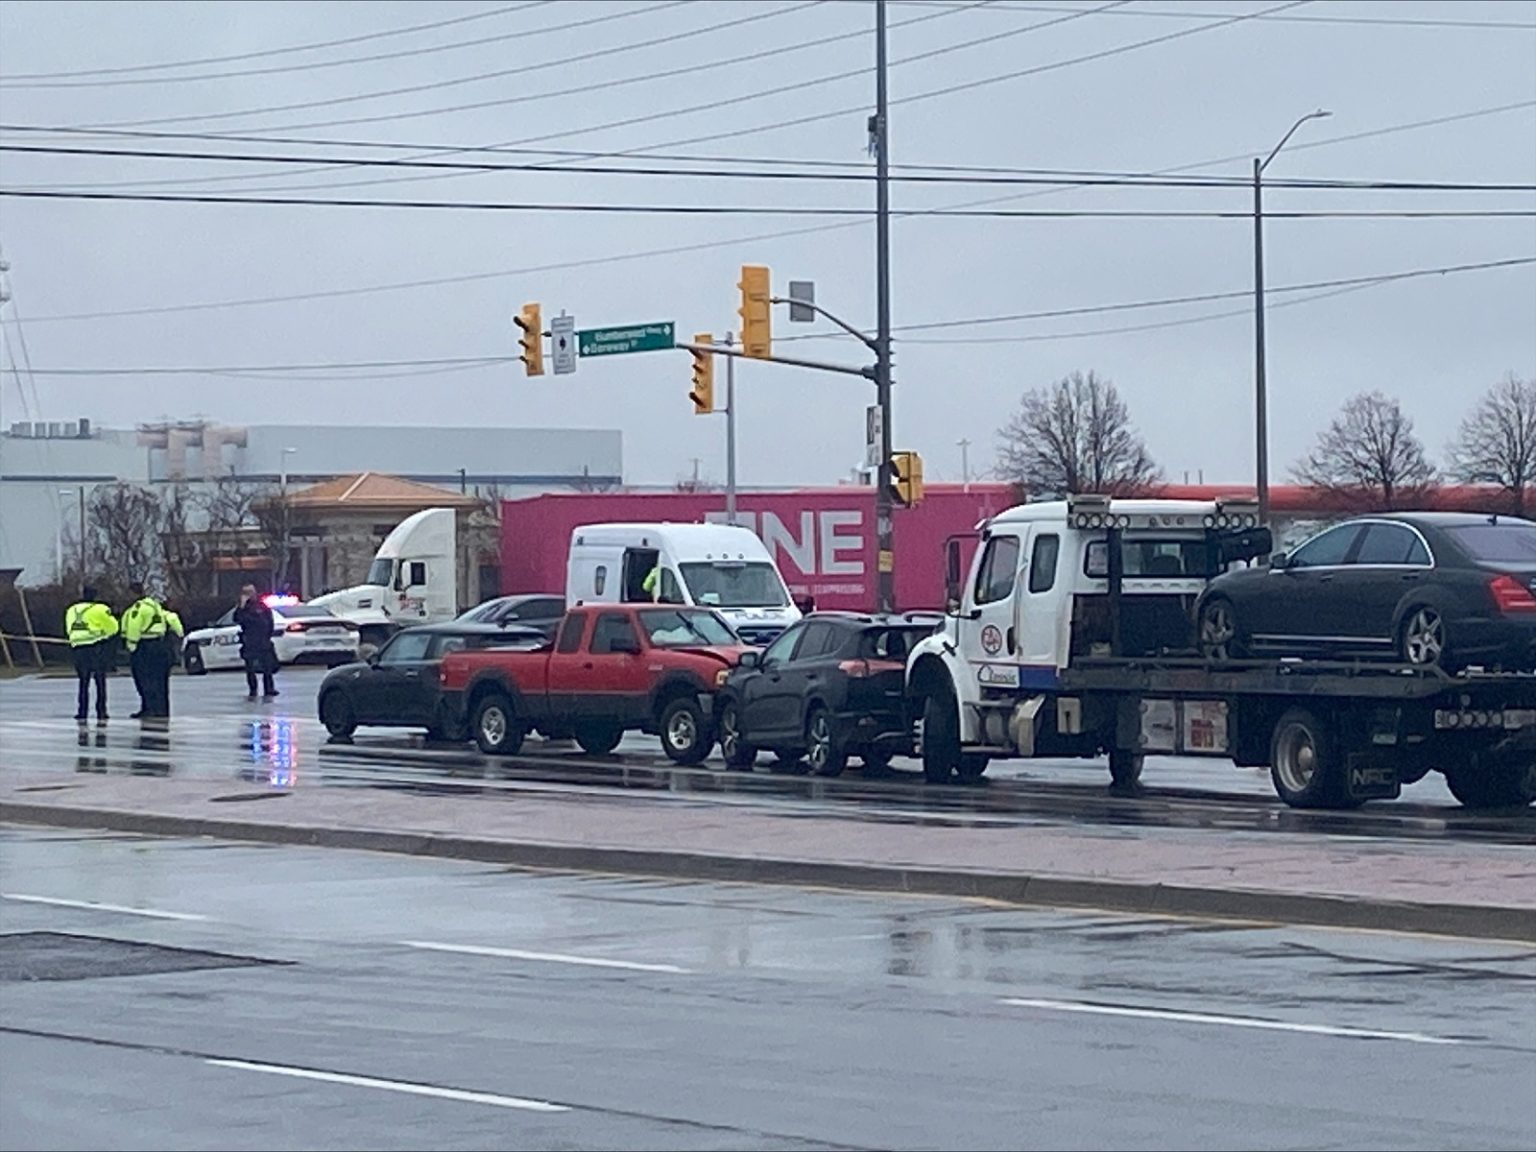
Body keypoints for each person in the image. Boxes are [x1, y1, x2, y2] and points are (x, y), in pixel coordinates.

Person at [64, 585, 119, 723]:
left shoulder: (72, 609)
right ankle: (101, 710)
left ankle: (82, 711)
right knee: (100, 681)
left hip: (78, 648)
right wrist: (103, 634)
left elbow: (68, 627)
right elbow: (113, 628)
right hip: (95, 647)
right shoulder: (99, 609)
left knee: (83, 682)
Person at [121, 581, 174, 719]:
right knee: (160, 681)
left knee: (144, 679)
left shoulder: (137, 609)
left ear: (133, 593)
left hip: (145, 646)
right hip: (160, 645)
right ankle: (162, 710)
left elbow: (134, 628)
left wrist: (131, 646)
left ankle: (149, 708)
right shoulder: (154, 605)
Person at [233, 584, 279, 700]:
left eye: (251, 592)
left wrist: (268, 634)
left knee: (267, 667)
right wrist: (241, 606)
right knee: (250, 668)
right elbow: (238, 619)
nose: (250, 595)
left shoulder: (262, 606)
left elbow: (269, 621)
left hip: (263, 641)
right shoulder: (243, 608)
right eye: (247, 592)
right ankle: (253, 689)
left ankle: (269, 689)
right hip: (249, 642)